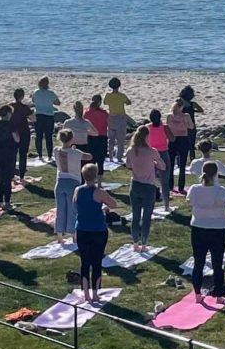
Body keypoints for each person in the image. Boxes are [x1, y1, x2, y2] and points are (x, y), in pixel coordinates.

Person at [186, 161, 225, 300]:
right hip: (217, 229)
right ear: (216, 174)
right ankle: (219, 294)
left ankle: (198, 294)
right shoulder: (220, 190)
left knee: (198, 262)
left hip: (198, 228)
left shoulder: (194, 189)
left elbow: (189, 202)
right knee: (217, 263)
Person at [73, 165, 114, 303]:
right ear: (95, 176)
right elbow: (114, 204)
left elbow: (76, 205)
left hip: (82, 230)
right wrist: (103, 205)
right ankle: (95, 294)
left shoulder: (77, 190)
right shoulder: (99, 192)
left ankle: (86, 294)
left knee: (85, 262)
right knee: (96, 262)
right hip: (98, 230)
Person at [123, 125, 165, 251]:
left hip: (135, 185)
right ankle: (144, 244)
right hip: (148, 187)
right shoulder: (152, 151)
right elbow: (163, 166)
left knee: (135, 216)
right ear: (147, 136)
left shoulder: (131, 150)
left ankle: (135, 243)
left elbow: (128, 165)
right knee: (146, 217)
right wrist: (154, 163)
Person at [53, 129, 85, 240]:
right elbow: (89, 156)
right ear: (71, 139)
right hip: (73, 182)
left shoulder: (56, 150)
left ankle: (59, 236)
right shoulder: (75, 153)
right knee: (72, 210)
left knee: (60, 209)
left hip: (60, 182)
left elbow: (64, 153)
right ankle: (73, 235)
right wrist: (75, 150)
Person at [0, 106, 20, 211]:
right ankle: (7, 201)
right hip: (9, 153)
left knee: (0, 178)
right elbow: (16, 139)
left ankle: (0, 201)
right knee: (7, 179)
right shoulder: (11, 125)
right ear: (8, 113)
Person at [145, 109, 173, 206]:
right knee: (165, 181)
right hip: (163, 153)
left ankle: (150, 203)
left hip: (151, 154)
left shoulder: (147, 127)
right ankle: (167, 205)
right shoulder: (165, 127)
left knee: (150, 180)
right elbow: (172, 138)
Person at [102, 77, 132, 164]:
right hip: (121, 118)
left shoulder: (108, 96)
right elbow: (128, 102)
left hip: (111, 117)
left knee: (111, 139)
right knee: (121, 139)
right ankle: (119, 157)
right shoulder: (122, 96)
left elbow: (105, 102)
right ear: (119, 86)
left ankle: (111, 156)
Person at [82, 94, 110, 176]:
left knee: (91, 159)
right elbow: (108, 124)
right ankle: (99, 182)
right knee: (100, 161)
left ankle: (90, 179)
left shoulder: (86, 113)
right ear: (100, 102)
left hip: (90, 137)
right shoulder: (104, 114)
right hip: (102, 137)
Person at [31, 76, 58, 160]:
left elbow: (33, 100)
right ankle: (49, 155)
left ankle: (40, 155)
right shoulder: (51, 93)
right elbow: (58, 103)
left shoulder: (36, 92)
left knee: (38, 136)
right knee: (48, 136)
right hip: (49, 116)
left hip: (39, 115)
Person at [8, 90, 32, 181]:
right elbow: (33, 118)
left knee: (12, 154)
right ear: (22, 97)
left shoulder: (9, 106)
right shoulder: (24, 107)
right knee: (23, 154)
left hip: (12, 132)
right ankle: (22, 175)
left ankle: (12, 175)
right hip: (24, 132)